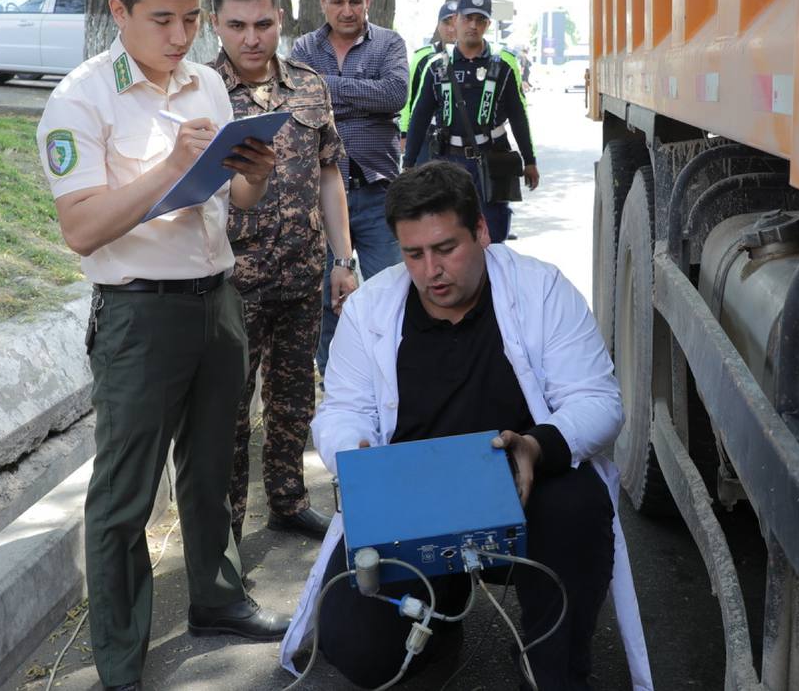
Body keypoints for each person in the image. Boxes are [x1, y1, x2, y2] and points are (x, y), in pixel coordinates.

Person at [278, 161, 653, 691]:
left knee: (578, 507)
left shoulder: (540, 290)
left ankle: (551, 667)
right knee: (357, 649)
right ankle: (437, 624)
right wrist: (356, 454)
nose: (432, 270)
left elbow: (597, 401)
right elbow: (341, 410)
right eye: (414, 254)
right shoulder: (371, 311)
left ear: (481, 230)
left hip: (521, 487)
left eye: (446, 248)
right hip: (411, 503)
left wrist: (536, 447)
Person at [36, 0, 289, 691]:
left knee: (213, 468)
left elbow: (230, 201)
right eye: (162, 20)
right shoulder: (80, 99)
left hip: (217, 301)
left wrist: (255, 176)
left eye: (191, 20)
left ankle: (217, 597)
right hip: (138, 316)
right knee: (125, 495)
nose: (180, 38)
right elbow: (81, 227)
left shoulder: (205, 87)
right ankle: (119, 653)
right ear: (118, 11)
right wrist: (170, 165)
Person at [207, 0, 357, 543]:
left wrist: (343, 261)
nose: (251, 38)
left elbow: (328, 175)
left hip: (301, 275)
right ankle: (226, 528)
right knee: (229, 415)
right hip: (230, 284)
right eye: (237, 25)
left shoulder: (309, 85)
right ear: (216, 24)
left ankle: (289, 502)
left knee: (294, 402)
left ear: (282, 18)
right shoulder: (202, 92)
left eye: (263, 24)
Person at [290, 0, 408, 377]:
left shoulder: (389, 44)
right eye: (337, 1)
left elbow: (394, 94)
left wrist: (328, 89)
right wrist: (364, 96)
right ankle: (338, 378)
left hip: (378, 194)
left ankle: (391, 376)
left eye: (354, 1)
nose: (346, 10)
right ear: (322, 1)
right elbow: (301, 104)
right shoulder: (304, 49)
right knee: (326, 296)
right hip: (321, 195)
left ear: (368, 1)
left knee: (389, 290)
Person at [404, 0, 539, 244]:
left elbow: (519, 117)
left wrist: (530, 161)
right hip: (448, 163)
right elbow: (419, 118)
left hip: (492, 163)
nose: (473, 26)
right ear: (456, 20)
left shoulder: (502, 67)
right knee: (449, 235)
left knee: (493, 236)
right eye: (468, 18)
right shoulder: (437, 67)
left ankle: (492, 283)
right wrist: (408, 165)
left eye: (480, 20)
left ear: (488, 24)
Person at [399, 0, 457, 164]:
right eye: (446, 22)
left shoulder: (470, 60)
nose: (451, 28)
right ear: (438, 25)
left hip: (458, 137)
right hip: (427, 133)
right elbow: (409, 97)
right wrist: (404, 133)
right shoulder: (423, 56)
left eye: (455, 22)